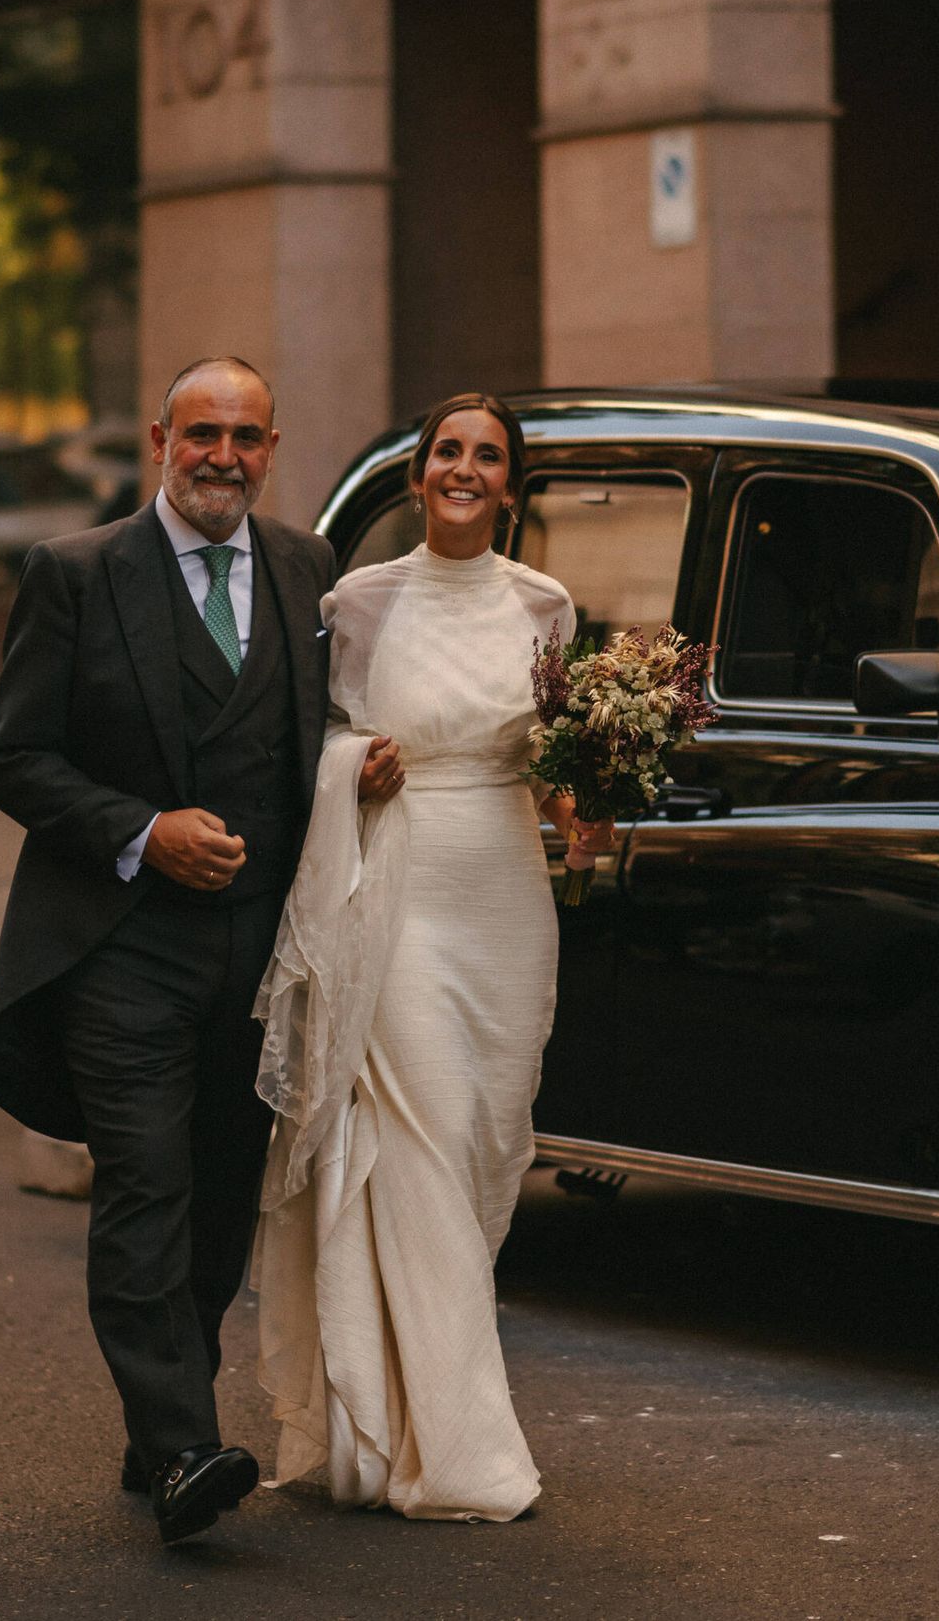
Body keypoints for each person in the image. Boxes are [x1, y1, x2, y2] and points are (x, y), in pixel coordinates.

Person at [0, 357, 338, 1545]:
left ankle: (153, 1423)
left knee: (223, 1197)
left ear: (271, 447)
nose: (222, 456)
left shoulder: (304, 567)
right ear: (158, 440)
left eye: (244, 436)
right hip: (121, 944)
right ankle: (185, 1447)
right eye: (200, 435)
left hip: (259, 949)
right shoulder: (75, 573)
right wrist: (140, 830)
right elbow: (14, 758)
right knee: (146, 1183)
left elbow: (311, 738)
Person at [252, 391, 612, 1519]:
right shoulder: (356, 600)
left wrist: (588, 807)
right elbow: (303, 743)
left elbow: (550, 766)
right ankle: (448, 1447)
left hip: (505, 893)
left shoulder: (547, 607)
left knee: (485, 1145)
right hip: (394, 894)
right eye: (446, 452)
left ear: (512, 483)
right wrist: (349, 768)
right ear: (419, 478)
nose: (464, 469)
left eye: (486, 456)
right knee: (417, 1135)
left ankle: (406, 1404)